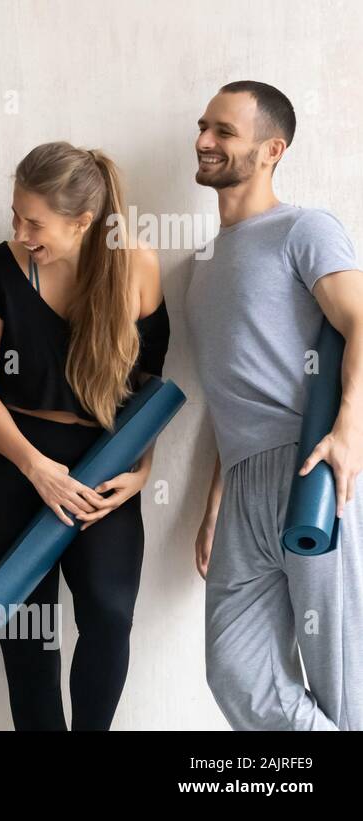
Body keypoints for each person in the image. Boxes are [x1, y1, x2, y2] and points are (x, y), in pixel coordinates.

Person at [0, 142, 168, 730]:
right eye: (15, 215)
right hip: (12, 460)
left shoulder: (136, 267)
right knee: (29, 640)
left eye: (35, 221)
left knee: (108, 613)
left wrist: (143, 469)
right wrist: (35, 466)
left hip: (105, 463)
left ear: (82, 223)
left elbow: (152, 382)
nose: (20, 231)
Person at [187, 81, 363, 730]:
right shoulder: (203, 265)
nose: (204, 140)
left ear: (271, 150)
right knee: (236, 671)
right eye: (204, 125)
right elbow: (226, 389)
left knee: (344, 679)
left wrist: (348, 433)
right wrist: (212, 506)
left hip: (314, 468)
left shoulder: (304, 228)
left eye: (224, 132)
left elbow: (360, 320)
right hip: (242, 486)